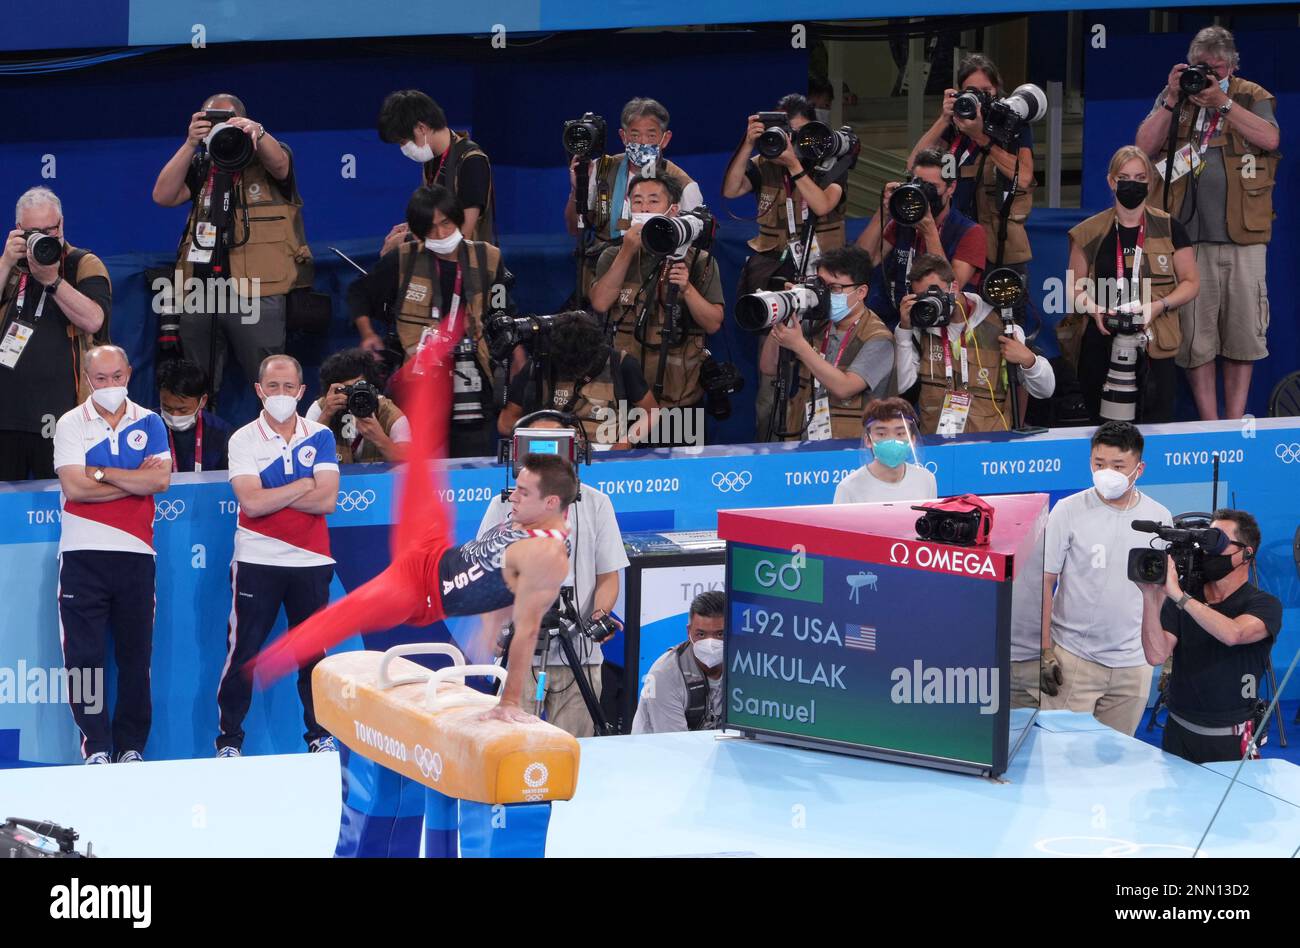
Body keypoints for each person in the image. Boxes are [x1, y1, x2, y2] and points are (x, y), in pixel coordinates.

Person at [248, 332, 573, 731]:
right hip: (432, 547)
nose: (513, 497)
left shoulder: (547, 556)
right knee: (423, 455)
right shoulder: (531, 522)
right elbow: (502, 582)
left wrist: (507, 701)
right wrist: (488, 624)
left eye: (523, 492)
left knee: (339, 618)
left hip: (417, 591)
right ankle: (434, 356)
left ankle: (259, 667)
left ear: (552, 504)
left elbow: (526, 632)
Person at [1136, 27, 1280, 421]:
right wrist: (1169, 98)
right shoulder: (1179, 96)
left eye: (1217, 69)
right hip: (1188, 239)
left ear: (1232, 66)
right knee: (1196, 340)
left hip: (1243, 239)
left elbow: (1270, 138)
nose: (1208, 77)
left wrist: (1224, 103)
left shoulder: (1252, 95)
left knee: (1242, 336)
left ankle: (1233, 422)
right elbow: (1143, 148)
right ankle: (1210, 423)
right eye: (1202, 68)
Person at [216, 355, 340, 757]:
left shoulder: (320, 435)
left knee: (313, 656)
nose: (281, 395)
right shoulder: (242, 439)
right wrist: (303, 483)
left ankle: (319, 736)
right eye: (273, 387)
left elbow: (327, 500)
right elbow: (251, 503)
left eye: (289, 388)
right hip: (256, 560)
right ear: (259, 390)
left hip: (311, 562)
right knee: (244, 652)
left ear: (302, 392)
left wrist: (279, 496)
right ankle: (229, 741)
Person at [53, 346, 171, 763]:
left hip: (136, 554)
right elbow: (75, 489)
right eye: (101, 379)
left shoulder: (151, 422)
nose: (110, 386)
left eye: (117, 377)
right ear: (88, 380)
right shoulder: (70, 424)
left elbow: (159, 482)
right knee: (84, 658)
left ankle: (131, 748)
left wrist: (100, 471)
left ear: (129, 374)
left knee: (135, 658)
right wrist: (133, 479)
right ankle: (97, 747)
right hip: (83, 554)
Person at [152, 93, 313, 398]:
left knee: (271, 384)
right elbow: (163, 195)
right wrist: (189, 144)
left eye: (226, 120)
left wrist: (257, 132)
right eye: (210, 120)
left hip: (258, 289)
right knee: (196, 385)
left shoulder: (265, 156)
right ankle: (200, 441)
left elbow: (281, 166)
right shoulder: (202, 163)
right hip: (201, 288)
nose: (218, 127)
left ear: (242, 119)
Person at [477, 414, 629, 736]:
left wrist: (599, 616)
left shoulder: (597, 504)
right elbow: (484, 573)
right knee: (510, 748)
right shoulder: (502, 505)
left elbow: (608, 576)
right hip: (519, 653)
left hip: (581, 655)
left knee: (576, 752)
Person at [347, 185, 513, 457]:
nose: (440, 234)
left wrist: (513, 356)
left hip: (472, 376)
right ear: (418, 230)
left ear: (458, 219)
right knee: (418, 461)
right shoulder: (404, 259)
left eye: (446, 223)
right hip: (418, 375)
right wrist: (367, 333)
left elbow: (502, 310)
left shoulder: (488, 258)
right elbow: (359, 293)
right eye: (430, 227)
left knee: (471, 461)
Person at [723, 94, 852, 440]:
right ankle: (769, 448)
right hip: (779, 283)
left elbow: (823, 205)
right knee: (770, 382)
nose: (790, 142)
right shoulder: (766, 163)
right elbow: (732, 189)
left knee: (820, 375)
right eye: (783, 133)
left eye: (797, 134)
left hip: (826, 288)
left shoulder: (831, 162)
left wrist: (796, 166)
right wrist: (748, 143)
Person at [1032, 422, 1171, 733]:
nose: (1106, 472)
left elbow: (1164, 591)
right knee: (1059, 760)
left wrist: (1167, 656)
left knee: (1116, 770)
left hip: (1134, 664)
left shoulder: (1160, 518)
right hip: (1072, 659)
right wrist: (1044, 651)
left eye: (1118, 465)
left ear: (1139, 468)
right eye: (1099, 464)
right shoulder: (1067, 510)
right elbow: (1043, 582)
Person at [1060, 146, 1199, 424]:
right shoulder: (1088, 231)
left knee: (1156, 425)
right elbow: (1073, 288)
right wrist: (1094, 308)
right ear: (1112, 181)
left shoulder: (1170, 227)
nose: (1131, 184)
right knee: (1104, 428)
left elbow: (1191, 282)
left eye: (1139, 178)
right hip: (1102, 339)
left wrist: (1159, 306)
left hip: (1155, 341)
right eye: (1124, 177)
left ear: (1149, 182)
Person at [1139, 509, 1282, 763]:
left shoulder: (1264, 605)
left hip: (1231, 739)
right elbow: (1156, 654)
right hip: (1177, 732)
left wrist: (1181, 597)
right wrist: (1151, 598)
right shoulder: (1184, 599)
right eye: (1206, 540)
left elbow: (1234, 633)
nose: (1208, 550)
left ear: (1247, 553)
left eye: (1218, 541)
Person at [589, 176, 724, 428]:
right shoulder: (612, 255)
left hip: (680, 396)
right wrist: (627, 251)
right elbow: (600, 303)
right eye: (638, 202)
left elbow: (714, 323)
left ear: (672, 209)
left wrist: (687, 288)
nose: (645, 209)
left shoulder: (699, 260)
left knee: (681, 466)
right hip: (625, 395)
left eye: (653, 201)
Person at [0, 187, 112, 480]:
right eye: (34, 232)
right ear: (18, 230)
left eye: (50, 229)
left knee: (58, 502)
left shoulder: (81, 263)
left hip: (62, 415)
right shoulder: (9, 267)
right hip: (6, 415)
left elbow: (94, 320)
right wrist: (5, 264)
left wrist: (53, 281)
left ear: (61, 225)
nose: (43, 238)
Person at [895, 254, 1054, 435]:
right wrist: (904, 331)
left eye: (935, 293)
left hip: (989, 446)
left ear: (954, 287)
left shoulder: (1001, 327)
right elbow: (903, 386)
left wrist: (1028, 360)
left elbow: (1045, 390)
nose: (930, 302)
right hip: (938, 446)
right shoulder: (917, 330)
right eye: (922, 297)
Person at [564, 97, 702, 303]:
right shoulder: (599, 170)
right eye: (635, 135)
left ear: (665, 139)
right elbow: (575, 229)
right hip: (603, 275)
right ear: (623, 137)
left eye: (651, 135)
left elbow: (694, 249)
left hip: (655, 284)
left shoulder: (684, 186)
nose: (643, 142)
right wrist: (577, 190)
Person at [910, 53, 1036, 270]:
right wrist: (943, 119)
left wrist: (980, 137)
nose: (980, 98)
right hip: (955, 238)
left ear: (997, 90)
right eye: (972, 92)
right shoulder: (953, 126)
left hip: (998, 245)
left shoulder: (1014, 125)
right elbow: (913, 165)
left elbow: (1024, 178)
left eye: (986, 91)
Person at [758, 246, 894, 441]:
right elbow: (768, 366)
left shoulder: (878, 338)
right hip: (802, 437)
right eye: (821, 285)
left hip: (850, 446)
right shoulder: (814, 322)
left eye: (835, 288)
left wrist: (800, 346)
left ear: (861, 291)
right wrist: (786, 310)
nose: (826, 294)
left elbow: (844, 388)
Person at [857, 147, 986, 326]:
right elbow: (862, 262)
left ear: (951, 188)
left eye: (932, 187)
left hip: (940, 324)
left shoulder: (971, 232)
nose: (924, 193)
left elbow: (949, 288)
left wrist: (930, 231)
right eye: (920, 184)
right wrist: (885, 211)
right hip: (895, 320)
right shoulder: (902, 223)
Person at [497, 312, 657, 449]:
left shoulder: (621, 364)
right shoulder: (539, 366)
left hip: (607, 453)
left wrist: (626, 441)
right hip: (552, 452)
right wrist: (541, 432)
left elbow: (653, 413)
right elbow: (505, 423)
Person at [377, 90, 495, 250]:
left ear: (421, 128)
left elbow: (461, 235)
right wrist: (412, 228)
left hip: (469, 270)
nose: (403, 148)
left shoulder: (471, 161)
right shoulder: (431, 161)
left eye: (403, 141)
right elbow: (439, 220)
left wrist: (407, 239)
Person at [632, 591, 726, 734]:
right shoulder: (664, 674)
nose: (710, 643)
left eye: (720, 634)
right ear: (689, 631)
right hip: (661, 751)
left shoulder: (746, 665)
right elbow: (673, 745)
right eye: (701, 634)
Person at [307, 348, 410, 463]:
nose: (354, 394)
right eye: (346, 389)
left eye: (359, 386)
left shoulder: (390, 414)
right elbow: (303, 456)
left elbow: (407, 464)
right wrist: (325, 416)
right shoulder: (320, 408)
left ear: (372, 386)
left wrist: (379, 438)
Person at [832, 397, 937, 504]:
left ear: (912, 439)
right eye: (881, 434)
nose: (892, 440)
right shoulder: (849, 488)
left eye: (900, 433)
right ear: (868, 440)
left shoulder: (926, 480)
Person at [157, 358, 232, 472]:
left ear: (203, 401)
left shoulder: (221, 434)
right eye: (167, 408)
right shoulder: (145, 426)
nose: (174, 415)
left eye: (182, 410)